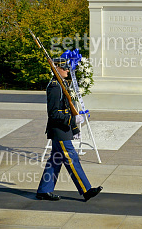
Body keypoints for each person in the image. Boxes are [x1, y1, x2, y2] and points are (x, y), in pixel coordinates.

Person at [36, 58, 102, 201]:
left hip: (64, 129)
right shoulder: (54, 87)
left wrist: (75, 128)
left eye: (68, 67)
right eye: (64, 68)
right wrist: (73, 120)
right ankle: (86, 190)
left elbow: (67, 108)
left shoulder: (63, 84)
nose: (67, 70)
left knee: (55, 160)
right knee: (72, 159)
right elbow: (53, 114)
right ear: (56, 69)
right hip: (59, 130)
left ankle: (44, 190)